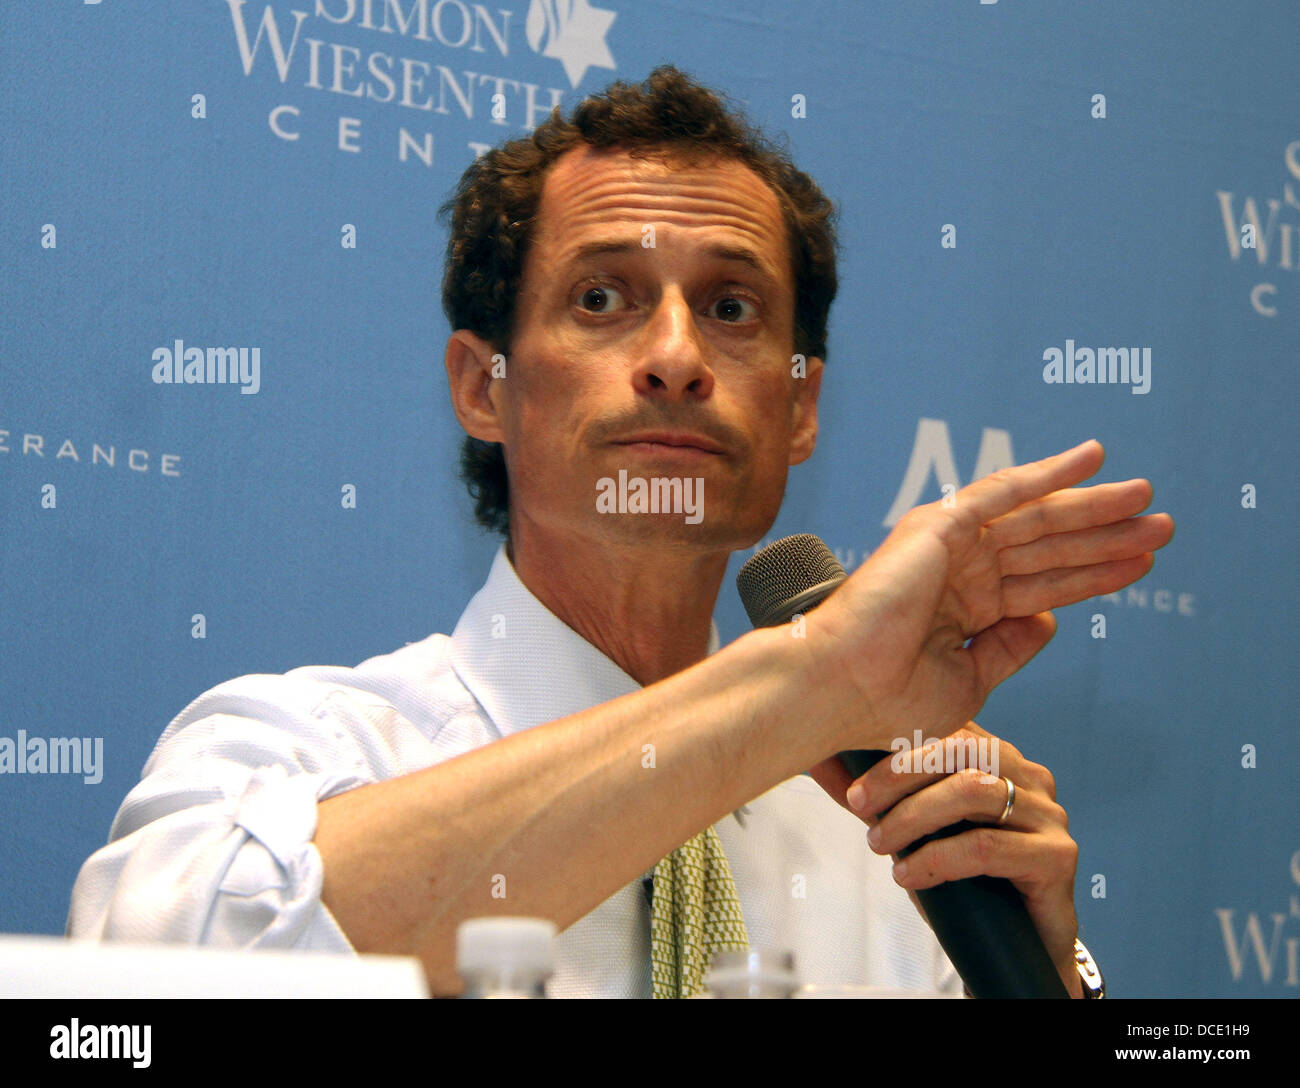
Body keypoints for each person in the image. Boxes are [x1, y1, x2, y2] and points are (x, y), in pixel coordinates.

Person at [67, 66, 1173, 998]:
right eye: (603, 298)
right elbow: (162, 985)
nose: (678, 354)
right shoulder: (298, 754)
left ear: (798, 408)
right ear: (482, 385)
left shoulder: (899, 851)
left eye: (733, 308)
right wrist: (813, 681)